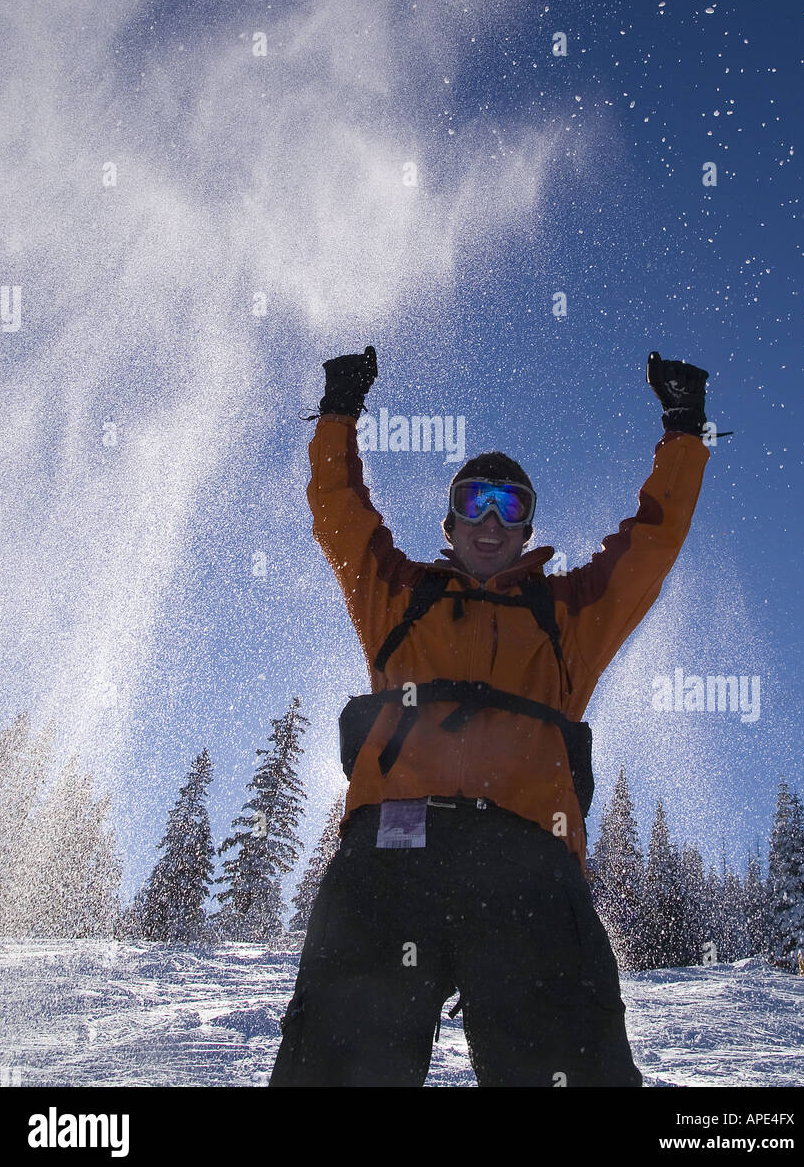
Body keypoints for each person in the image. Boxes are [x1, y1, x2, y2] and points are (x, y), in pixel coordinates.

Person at [270, 347, 711, 1087]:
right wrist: (339, 413)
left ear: (528, 531)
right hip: (393, 853)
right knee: (343, 1057)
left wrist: (682, 431)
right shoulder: (397, 599)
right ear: (449, 521)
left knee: (568, 1061)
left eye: (513, 508)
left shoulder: (564, 618)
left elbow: (649, 546)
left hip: (527, 863)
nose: (492, 520)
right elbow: (340, 516)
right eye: (476, 500)